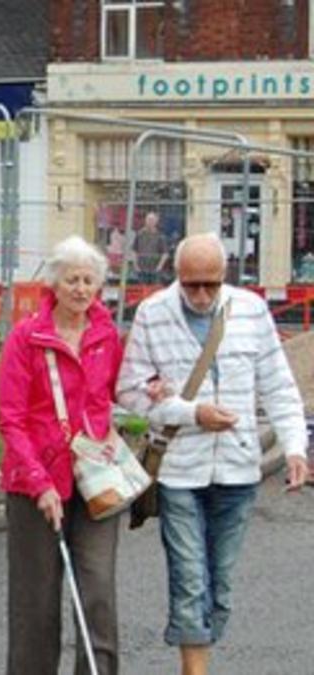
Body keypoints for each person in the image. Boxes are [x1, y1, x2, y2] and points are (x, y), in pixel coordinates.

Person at [115, 233, 309, 675]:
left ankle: (201, 646)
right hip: (180, 469)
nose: (201, 295)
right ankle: (195, 669)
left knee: (219, 584)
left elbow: (278, 385)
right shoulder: (152, 313)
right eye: (191, 285)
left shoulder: (251, 310)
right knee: (189, 577)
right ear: (175, 277)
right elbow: (128, 390)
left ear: (226, 277)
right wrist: (190, 412)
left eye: (211, 284)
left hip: (239, 469)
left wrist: (295, 447)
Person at [0, 236, 123, 675]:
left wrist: (144, 399)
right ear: (54, 282)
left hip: (94, 479)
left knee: (98, 594)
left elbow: (115, 398)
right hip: (35, 485)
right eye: (72, 279)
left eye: (90, 280)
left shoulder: (108, 335)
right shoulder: (26, 338)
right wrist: (39, 482)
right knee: (36, 602)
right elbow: (11, 419)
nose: (81, 289)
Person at [133, 211, 170, 285]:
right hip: (141, 269)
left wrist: (159, 267)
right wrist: (135, 265)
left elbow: (165, 254)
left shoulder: (160, 236)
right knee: (141, 290)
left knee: (154, 291)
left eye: (152, 220)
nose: (150, 222)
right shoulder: (139, 234)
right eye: (148, 219)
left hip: (155, 270)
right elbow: (134, 251)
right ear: (145, 221)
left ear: (156, 222)